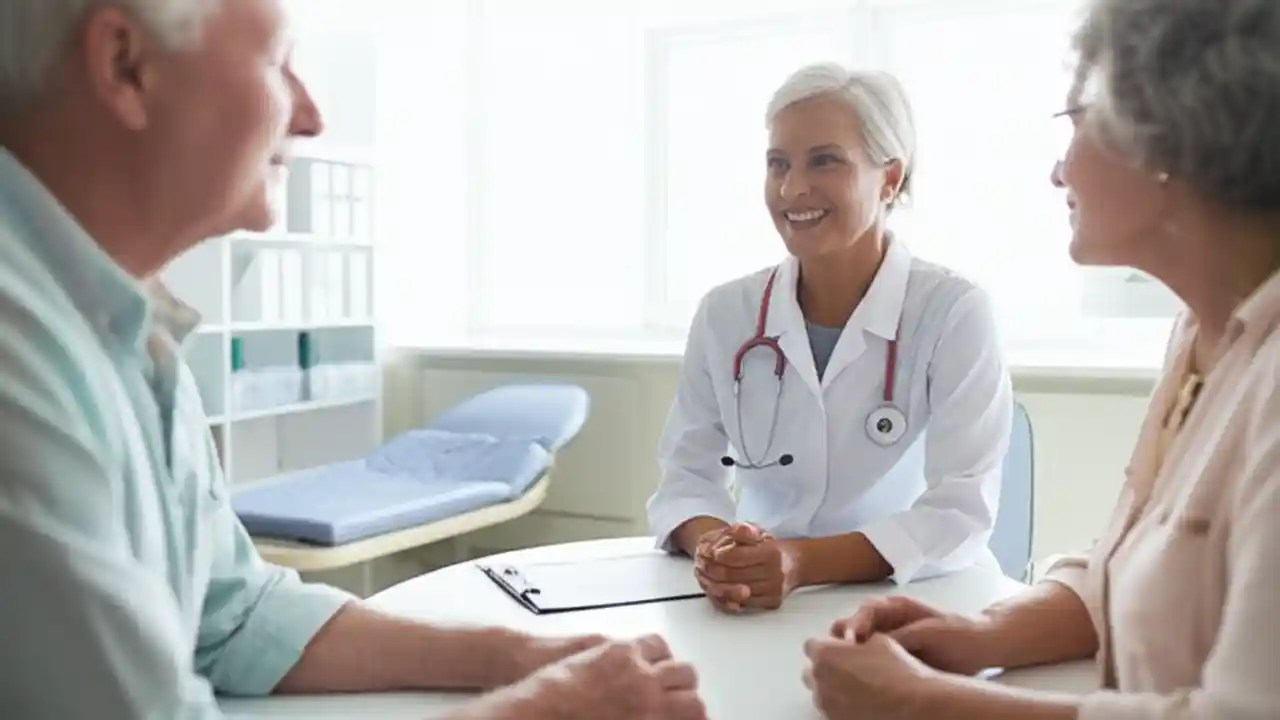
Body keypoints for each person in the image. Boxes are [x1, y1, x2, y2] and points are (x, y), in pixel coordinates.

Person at [0, 1, 705, 719]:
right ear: (126, 65)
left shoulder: (128, 331)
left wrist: (522, 658)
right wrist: (551, 708)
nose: (311, 116)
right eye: (278, 63)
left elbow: (237, 616)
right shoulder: (16, 355)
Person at [803, 0, 1280, 717]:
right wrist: (979, 634)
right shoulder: (1202, 333)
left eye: (1076, 123)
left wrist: (924, 704)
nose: (1059, 172)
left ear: (1171, 137)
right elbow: (1128, 571)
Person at [647, 62, 1014, 613]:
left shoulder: (954, 312)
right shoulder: (726, 314)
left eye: (824, 161)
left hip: (912, 596)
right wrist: (721, 552)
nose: (792, 188)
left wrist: (800, 562)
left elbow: (960, 512)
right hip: (754, 599)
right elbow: (685, 479)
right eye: (778, 163)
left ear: (890, 179)